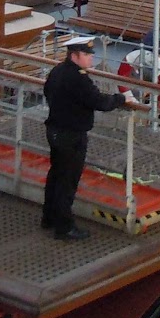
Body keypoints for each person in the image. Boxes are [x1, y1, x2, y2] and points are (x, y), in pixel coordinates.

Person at [41, 37, 138, 241]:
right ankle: (64, 227)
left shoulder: (58, 71)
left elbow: (47, 91)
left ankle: (49, 217)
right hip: (71, 134)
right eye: (86, 54)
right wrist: (121, 98)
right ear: (74, 56)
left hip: (55, 130)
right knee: (67, 181)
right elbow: (99, 102)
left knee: (56, 175)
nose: (91, 57)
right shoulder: (78, 79)